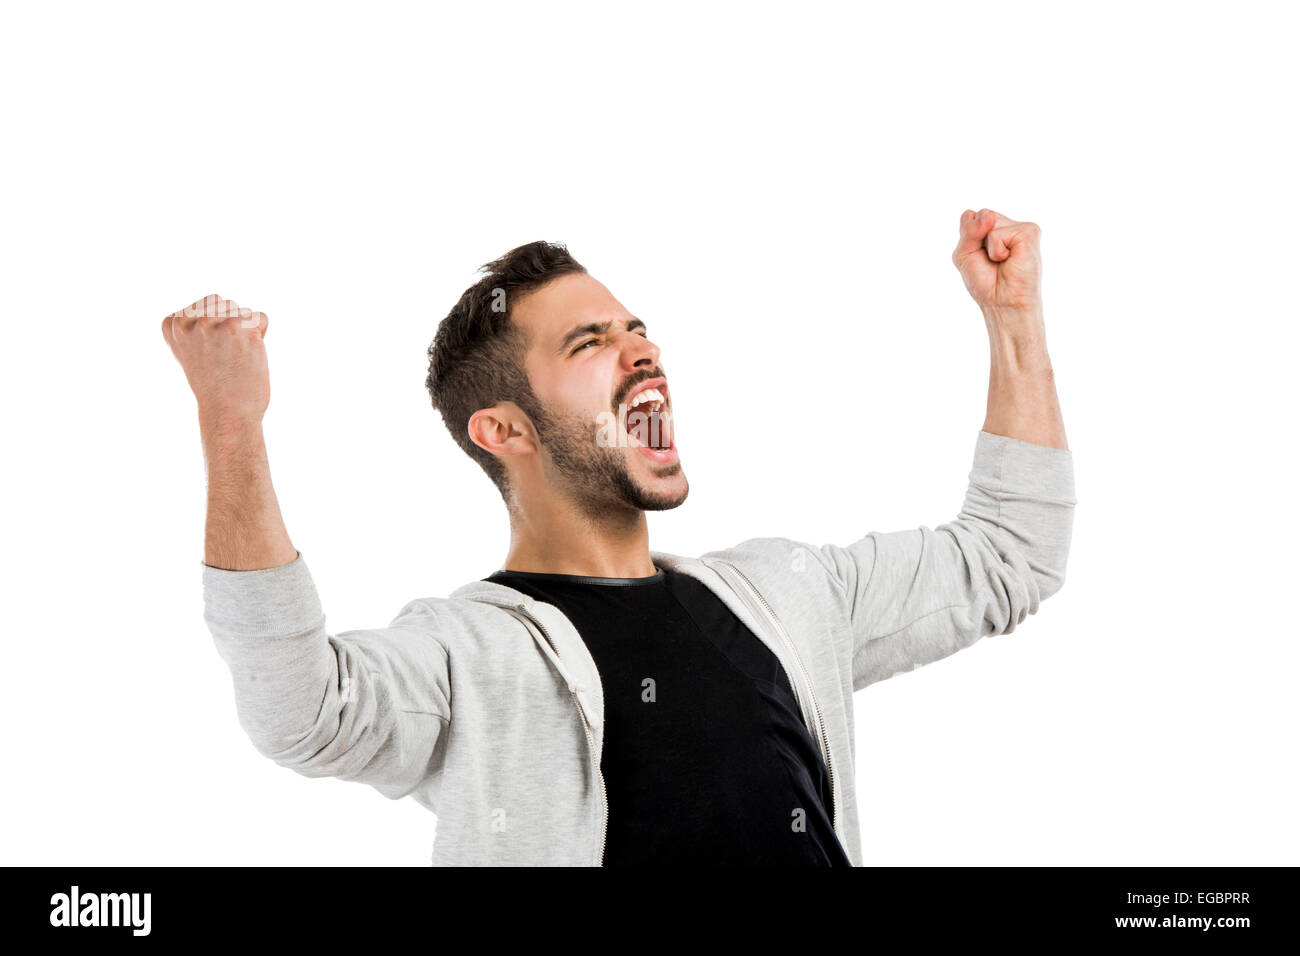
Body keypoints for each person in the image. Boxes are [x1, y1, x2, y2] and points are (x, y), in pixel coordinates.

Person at [162, 208, 1075, 866]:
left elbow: (1008, 554)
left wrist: (1014, 316)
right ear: (504, 430)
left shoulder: (790, 596)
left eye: (638, 329)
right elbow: (300, 710)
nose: (644, 351)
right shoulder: (468, 656)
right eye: (589, 342)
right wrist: (232, 422)